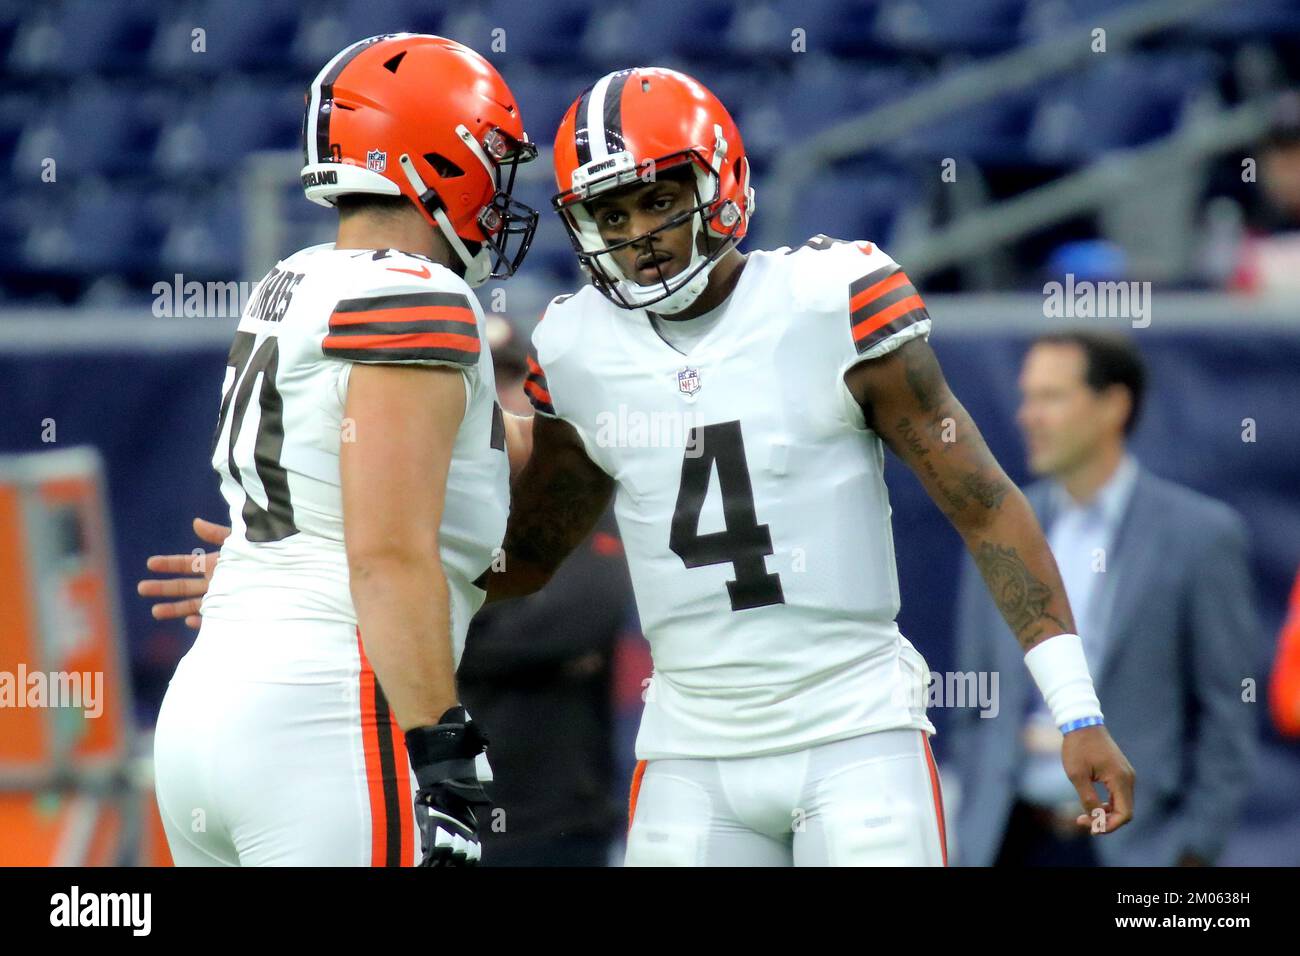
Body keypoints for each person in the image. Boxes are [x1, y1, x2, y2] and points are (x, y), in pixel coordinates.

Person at [143, 67, 1135, 867]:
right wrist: (302, 564)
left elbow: (984, 504)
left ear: (718, 183)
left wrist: (1075, 703)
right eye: (609, 217)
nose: (637, 237)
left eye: (655, 200)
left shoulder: (838, 296)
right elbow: (519, 554)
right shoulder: (577, 347)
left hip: (854, 722)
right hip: (689, 741)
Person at [145, 33, 540, 866]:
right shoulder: (418, 294)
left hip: (206, 711)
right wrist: (444, 752)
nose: (501, 188)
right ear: (441, 156)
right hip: (334, 709)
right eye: (492, 158)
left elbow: (454, 453)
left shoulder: (291, 279)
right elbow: (388, 556)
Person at [950, 331, 1258, 866]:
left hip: (1134, 850)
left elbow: (1227, 716)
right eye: (1027, 397)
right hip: (1010, 840)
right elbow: (977, 700)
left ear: (1114, 404)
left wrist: (1191, 852)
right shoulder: (997, 533)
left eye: (1051, 397)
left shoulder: (1200, 536)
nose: (1028, 416)